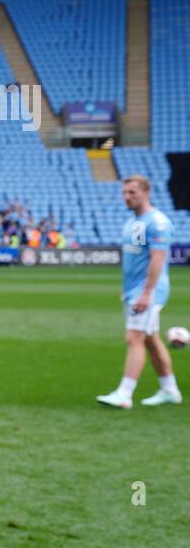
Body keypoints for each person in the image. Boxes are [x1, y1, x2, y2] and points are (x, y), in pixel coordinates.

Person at [96, 175, 180, 408]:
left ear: (146, 192)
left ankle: (125, 394)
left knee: (134, 338)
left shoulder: (158, 222)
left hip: (148, 291)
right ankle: (170, 390)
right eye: (124, 193)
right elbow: (134, 259)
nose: (127, 197)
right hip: (134, 290)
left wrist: (146, 293)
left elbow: (158, 259)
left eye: (132, 192)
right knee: (151, 340)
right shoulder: (133, 222)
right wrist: (127, 290)